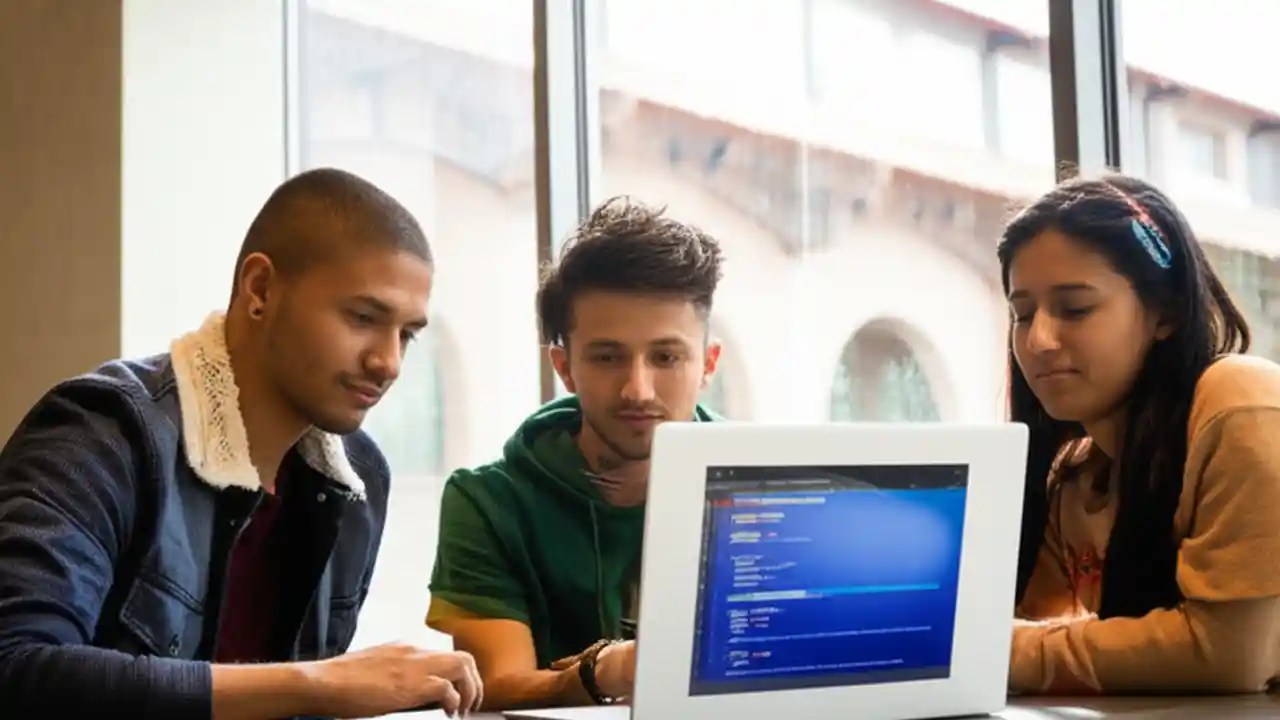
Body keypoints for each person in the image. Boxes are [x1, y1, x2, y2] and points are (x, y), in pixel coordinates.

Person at [0, 168, 482, 718]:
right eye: (363, 318)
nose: (388, 362)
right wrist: (321, 684)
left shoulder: (360, 477)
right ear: (260, 290)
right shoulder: (102, 431)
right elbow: (16, 667)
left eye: (407, 334)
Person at [426, 197, 724, 710]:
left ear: (708, 363)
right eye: (608, 357)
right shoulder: (487, 502)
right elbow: (494, 690)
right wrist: (608, 671)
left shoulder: (758, 482)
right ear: (564, 367)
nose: (638, 389)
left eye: (667, 357)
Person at [1002, 173, 1280, 694]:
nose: (1037, 339)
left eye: (1075, 308)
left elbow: (1230, 657)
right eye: (1022, 314)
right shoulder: (1076, 478)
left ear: (1166, 312)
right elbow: (1041, 628)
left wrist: (995, 651)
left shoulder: (1242, 404)